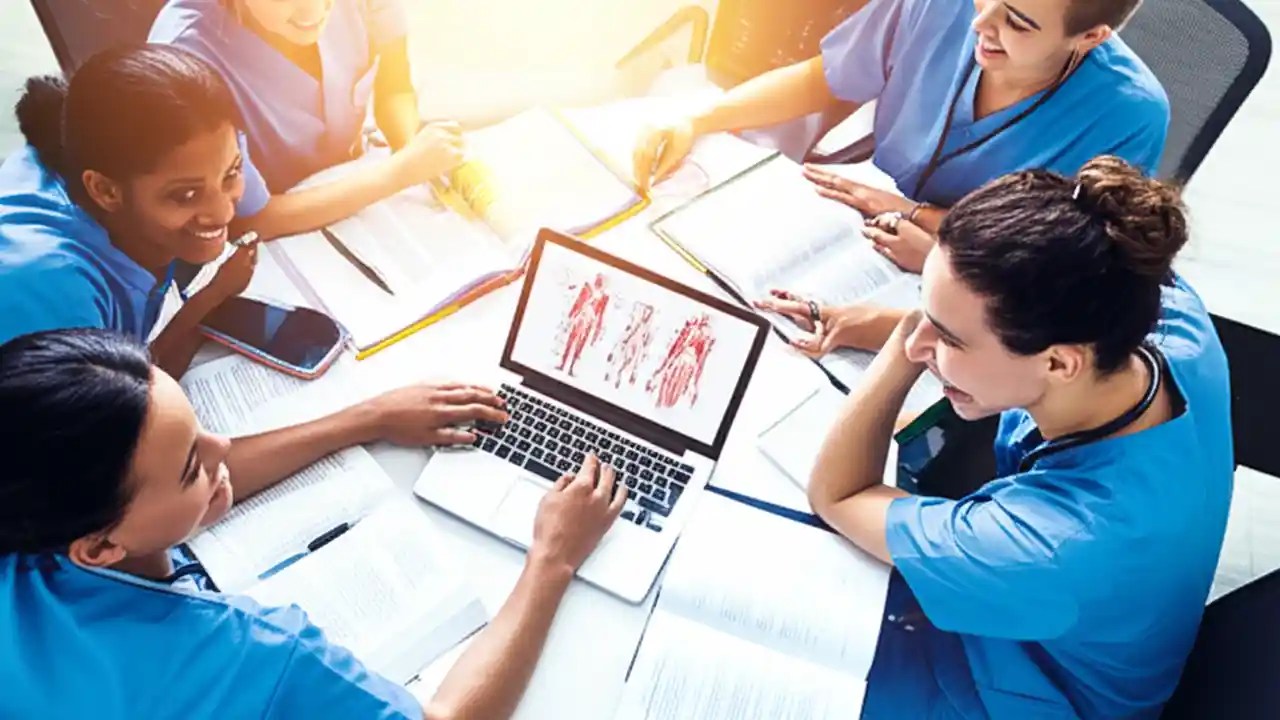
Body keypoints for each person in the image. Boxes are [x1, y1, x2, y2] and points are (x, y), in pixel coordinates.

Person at [0, 328, 625, 720]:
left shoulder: (32, 514)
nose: (224, 448)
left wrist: (367, 417)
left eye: (199, 428)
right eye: (193, 465)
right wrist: (552, 559)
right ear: (101, 547)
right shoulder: (260, 656)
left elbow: (172, 483)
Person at [807, 157, 1232, 718]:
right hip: (1096, 621)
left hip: (1028, 687)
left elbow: (837, 495)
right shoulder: (1156, 307)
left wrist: (903, 344)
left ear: (1059, 363)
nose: (921, 345)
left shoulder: (1050, 546)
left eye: (950, 338)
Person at [635, 0, 1168, 274]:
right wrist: (698, 119)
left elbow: (1055, 255)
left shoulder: (1129, 115)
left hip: (971, 270)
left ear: (1092, 37)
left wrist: (927, 228)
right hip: (861, 222)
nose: (982, 24)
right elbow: (828, 76)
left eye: (1019, 23)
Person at [0, 45, 274, 376]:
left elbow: (132, 378)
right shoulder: (54, 291)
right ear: (104, 190)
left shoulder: (101, 157)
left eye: (231, 172)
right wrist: (210, 299)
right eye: (186, 194)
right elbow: (125, 415)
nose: (222, 212)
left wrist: (212, 297)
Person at [150, 0, 463, 241]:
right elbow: (251, 218)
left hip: (362, 196)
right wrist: (402, 171)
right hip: (278, 242)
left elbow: (395, 86)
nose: (313, 11)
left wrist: (414, 150)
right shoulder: (184, 59)